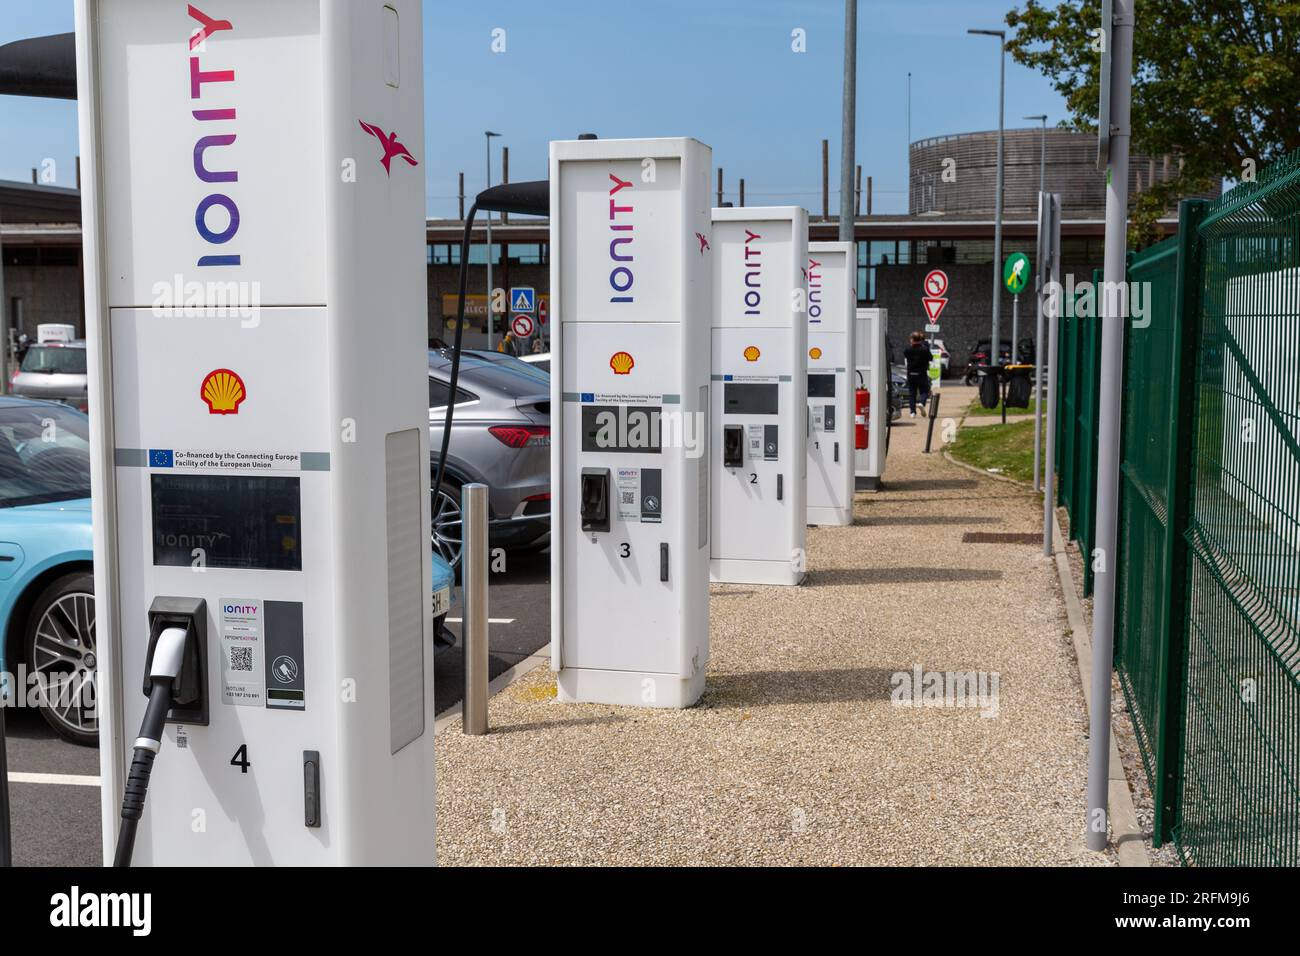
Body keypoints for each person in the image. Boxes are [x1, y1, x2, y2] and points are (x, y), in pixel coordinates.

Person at [902, 331, 933, 418]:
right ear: (920, 340)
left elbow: (905, 354)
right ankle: (921, 403)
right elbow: (930, 358)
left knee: (912, 393)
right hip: (921, 374)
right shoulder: (924, 349)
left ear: (912, 339)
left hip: (911, 374)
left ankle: (912, 412)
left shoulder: (908, 349)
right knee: (924, 391)